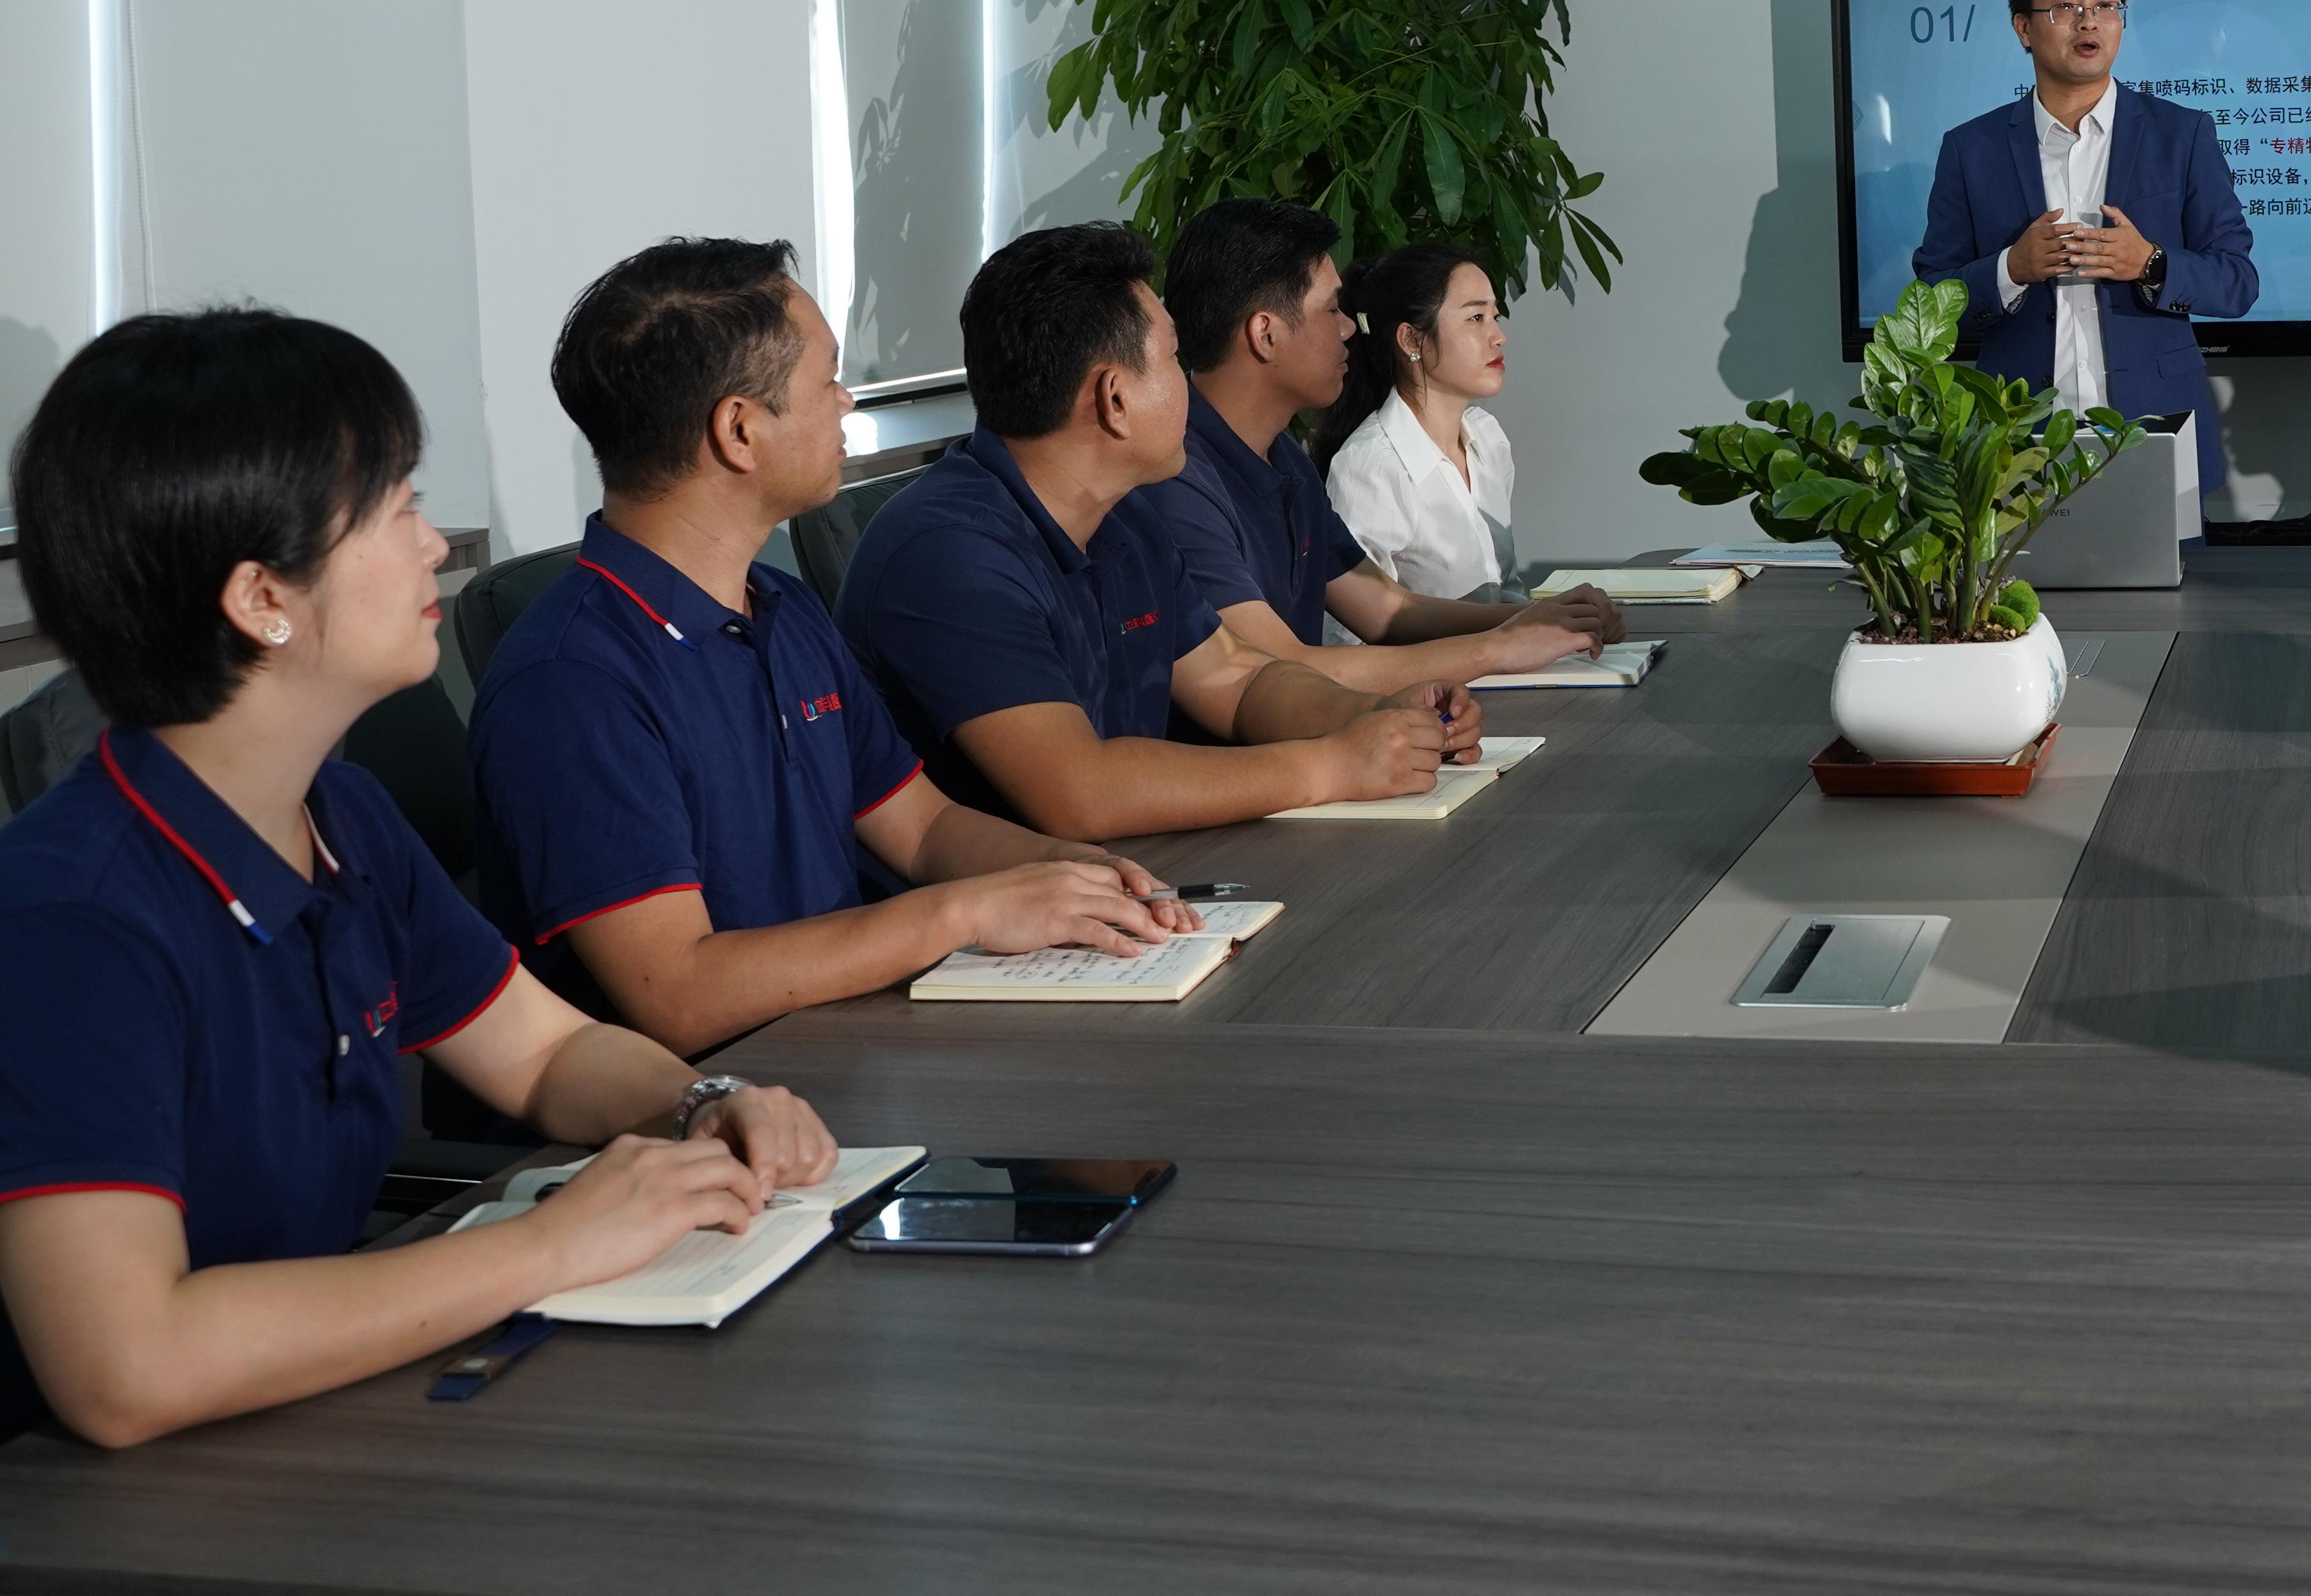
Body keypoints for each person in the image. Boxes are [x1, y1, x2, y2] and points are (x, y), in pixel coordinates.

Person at [0, 310, 840, 1447]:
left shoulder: (339, 815)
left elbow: (543, 1053)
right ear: (262, 600)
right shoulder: (72, 919)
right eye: (396, 511)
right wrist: (550, 1245)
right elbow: (127, 1367)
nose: (437, 544)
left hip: (313, 1426)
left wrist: (702, 1104)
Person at [469, 239, 1201, 1059]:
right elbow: (679, 993)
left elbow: (924, 830)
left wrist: (1080, 873)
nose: (848, 399)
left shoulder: (781, 610)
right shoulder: (572, 682)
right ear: (739, 431)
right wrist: (966, 912)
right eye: (827, 380)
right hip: (703, 1107)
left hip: (843, 1053)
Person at [835, 223, 1471, 839]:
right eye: (1171, 359)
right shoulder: (949, 554)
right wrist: (1333, 765)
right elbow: (1080, 791)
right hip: (1016, 904)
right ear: (1114, 399)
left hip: (1124, 879)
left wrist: (1378, 716)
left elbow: (1235, 678)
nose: (1189, 386)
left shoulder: (1126, 517)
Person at [1156, 202, 1621, 682]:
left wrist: (1534, 618)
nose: (1349, 327)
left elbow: (1385, 609)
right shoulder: (1178, 481)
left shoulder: (1283, 456)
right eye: (1332, 310)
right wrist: (1499, 648)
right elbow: (1277, 669)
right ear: (1266, 335)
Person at [1908, 0, 2257, 516]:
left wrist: (2150, 263)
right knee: (2016, 579)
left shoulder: (2182, 134)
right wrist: (2010, 269)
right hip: (2016, 439)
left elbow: (2237, 282)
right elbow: (1929, 301)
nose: (2089, 21)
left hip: (2155, 427)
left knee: (2164, 581)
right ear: (2024, 28)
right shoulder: (1971, 148)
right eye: (2066, 7)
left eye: (2105, 6)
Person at [1318, 245, 1537, 603]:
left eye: (1495, 316)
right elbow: (1354, 630)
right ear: (1411, 339)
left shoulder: (1488, 438)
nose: (1499, 336)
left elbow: (1508, 590)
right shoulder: (1371, 467)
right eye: (1476, 318)